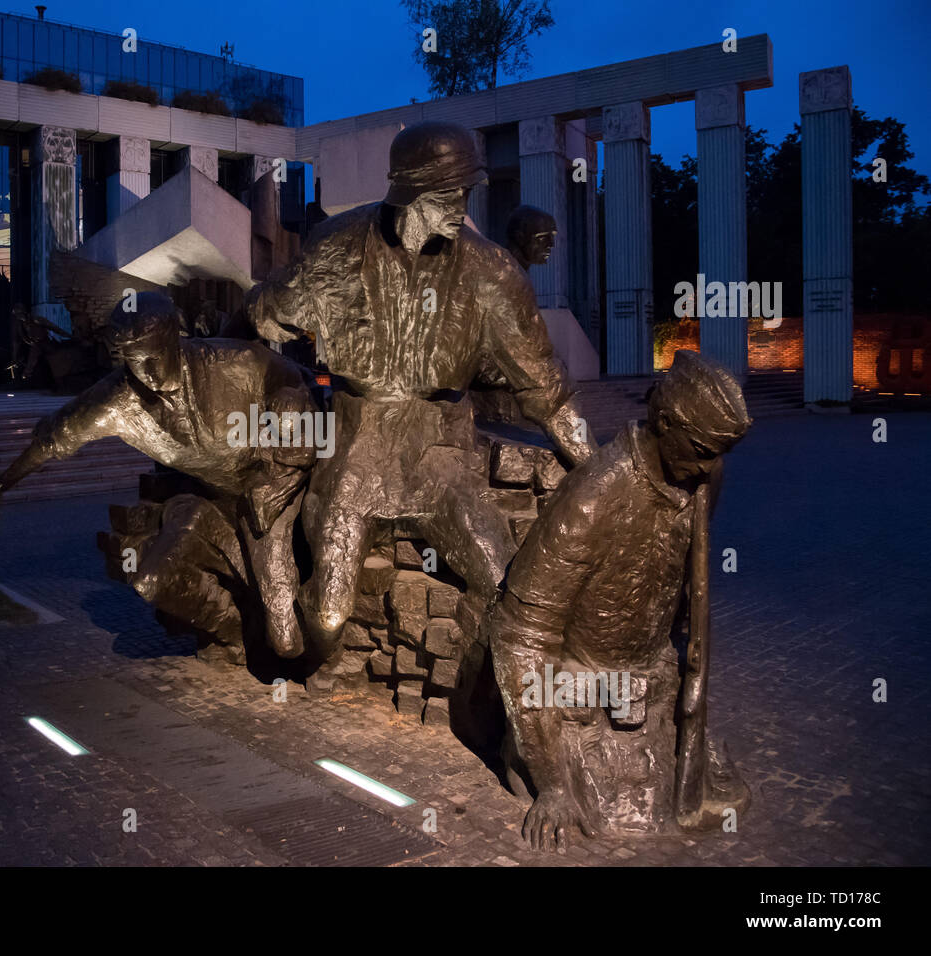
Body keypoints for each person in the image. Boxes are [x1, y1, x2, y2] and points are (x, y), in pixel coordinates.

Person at [247, 121, 596, 659]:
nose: (461, 204)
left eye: (465, 191)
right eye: (447, 192)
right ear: (408, 192)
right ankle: (272, 564)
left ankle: (488, 703)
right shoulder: (335, 247)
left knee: (506, 586)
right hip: (356, 452)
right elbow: (271, 313)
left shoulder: (492, 272)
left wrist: (593, 462)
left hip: (444, 459)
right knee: (327, 620)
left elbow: (542, 380)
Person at [490, 350, 753, 849]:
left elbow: (679, 584)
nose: (707, 467)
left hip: (649, 682)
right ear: (665, 422)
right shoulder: (593, 500)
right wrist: (551, 783)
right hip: (581, 696)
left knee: (689, 801)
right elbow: (520, 636)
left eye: (717, 455)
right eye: (700, 449)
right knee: (621, 816)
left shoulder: (701, 476)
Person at [0, 292, 317, 659]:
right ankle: (237, 633)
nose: (148, 373)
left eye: (154, 357)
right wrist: (3, 481)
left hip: (271, 496)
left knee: (287, 644)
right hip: (208, 504)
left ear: (175, 340)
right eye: (135, 362)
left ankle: (281, 631)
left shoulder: (238, 363)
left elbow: (303, 392)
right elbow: (54, 438)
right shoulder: (118, 400)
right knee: (151, 579)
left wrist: (289, 451)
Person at [505, 204, 558, 272]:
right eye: (542, 238)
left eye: (552, 236)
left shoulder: (518, 273)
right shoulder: (501, 273)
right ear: (520, 237)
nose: (551, 245)